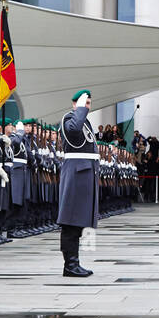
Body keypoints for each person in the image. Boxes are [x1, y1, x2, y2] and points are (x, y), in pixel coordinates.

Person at [58, 89, 99, 276]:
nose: (87, 107)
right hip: (76, 174)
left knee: (79, 221)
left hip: (84, 175)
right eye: (85, 103)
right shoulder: (69, 119)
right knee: (71, 221)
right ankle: (70, 265)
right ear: (75, 104)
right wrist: (80, 109)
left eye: (89, 104)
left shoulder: (85, 122)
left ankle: (74, 262)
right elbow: (74, 131)